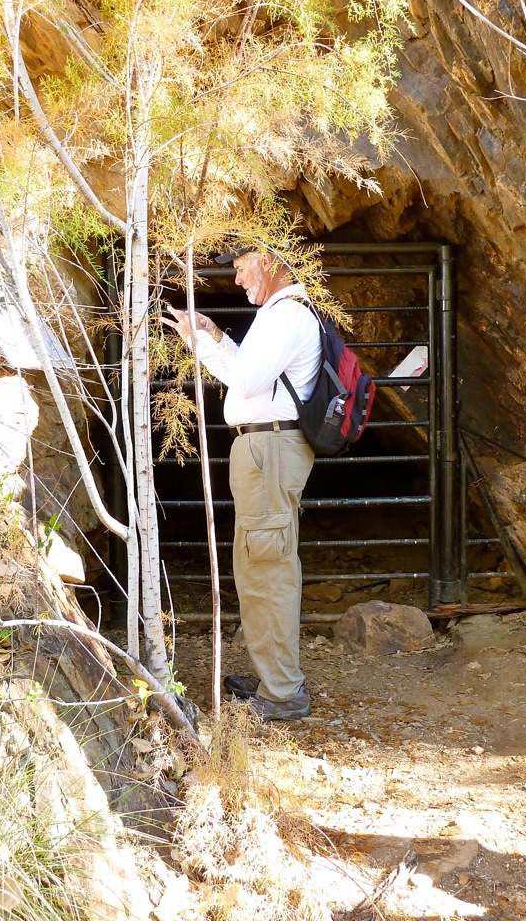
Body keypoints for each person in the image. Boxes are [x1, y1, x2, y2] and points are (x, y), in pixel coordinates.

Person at [161, 246, 321, 720]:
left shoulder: (287, 315)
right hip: (265, 450)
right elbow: (256, 376)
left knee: (267, 568)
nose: (237, 278)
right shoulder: (281, 314)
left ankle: (283, 693)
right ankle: (275, 679)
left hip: (269, 451)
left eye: (241, 265)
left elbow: (247, 382)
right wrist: (214, 334)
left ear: (270, 260)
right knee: (260, 564)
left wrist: (199, 342)